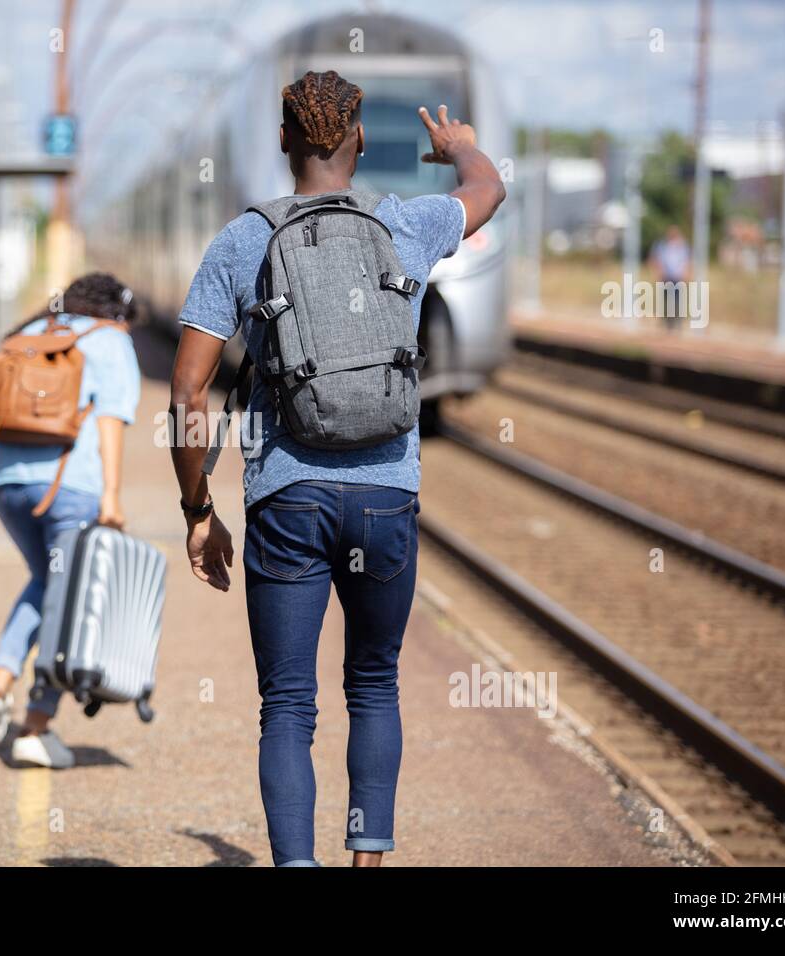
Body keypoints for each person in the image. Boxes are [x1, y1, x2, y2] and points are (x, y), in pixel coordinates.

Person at [168, 70, 506, 866]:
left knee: (287, 705)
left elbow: (188, 391)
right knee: (374, 686)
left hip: (287, 497)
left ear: (283, 141)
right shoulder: (409, 225)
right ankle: (368, 858)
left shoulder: (245, 238)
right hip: (386, 498)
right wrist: (459, 148)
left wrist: (198, 511)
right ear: (358, 140)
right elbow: (489, 189)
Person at [0, 273, 141, 769]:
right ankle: (34, 727)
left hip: (2, 480)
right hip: (70, 486)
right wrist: (111, 496)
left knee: (48, 581)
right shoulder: (110, 340)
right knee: (67, 601)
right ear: (119, 312)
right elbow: (110, 420)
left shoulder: (36, 330)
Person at [649, 225, 692, 331]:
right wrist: (658, 272)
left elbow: (687, 261)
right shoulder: (662, 245)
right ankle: (668, 322)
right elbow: (656, 260)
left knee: (678, 301)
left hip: (678, 278)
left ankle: (677, 322)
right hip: (666, 277)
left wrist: (686, 274)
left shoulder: (683, 246)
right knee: (667, 300)